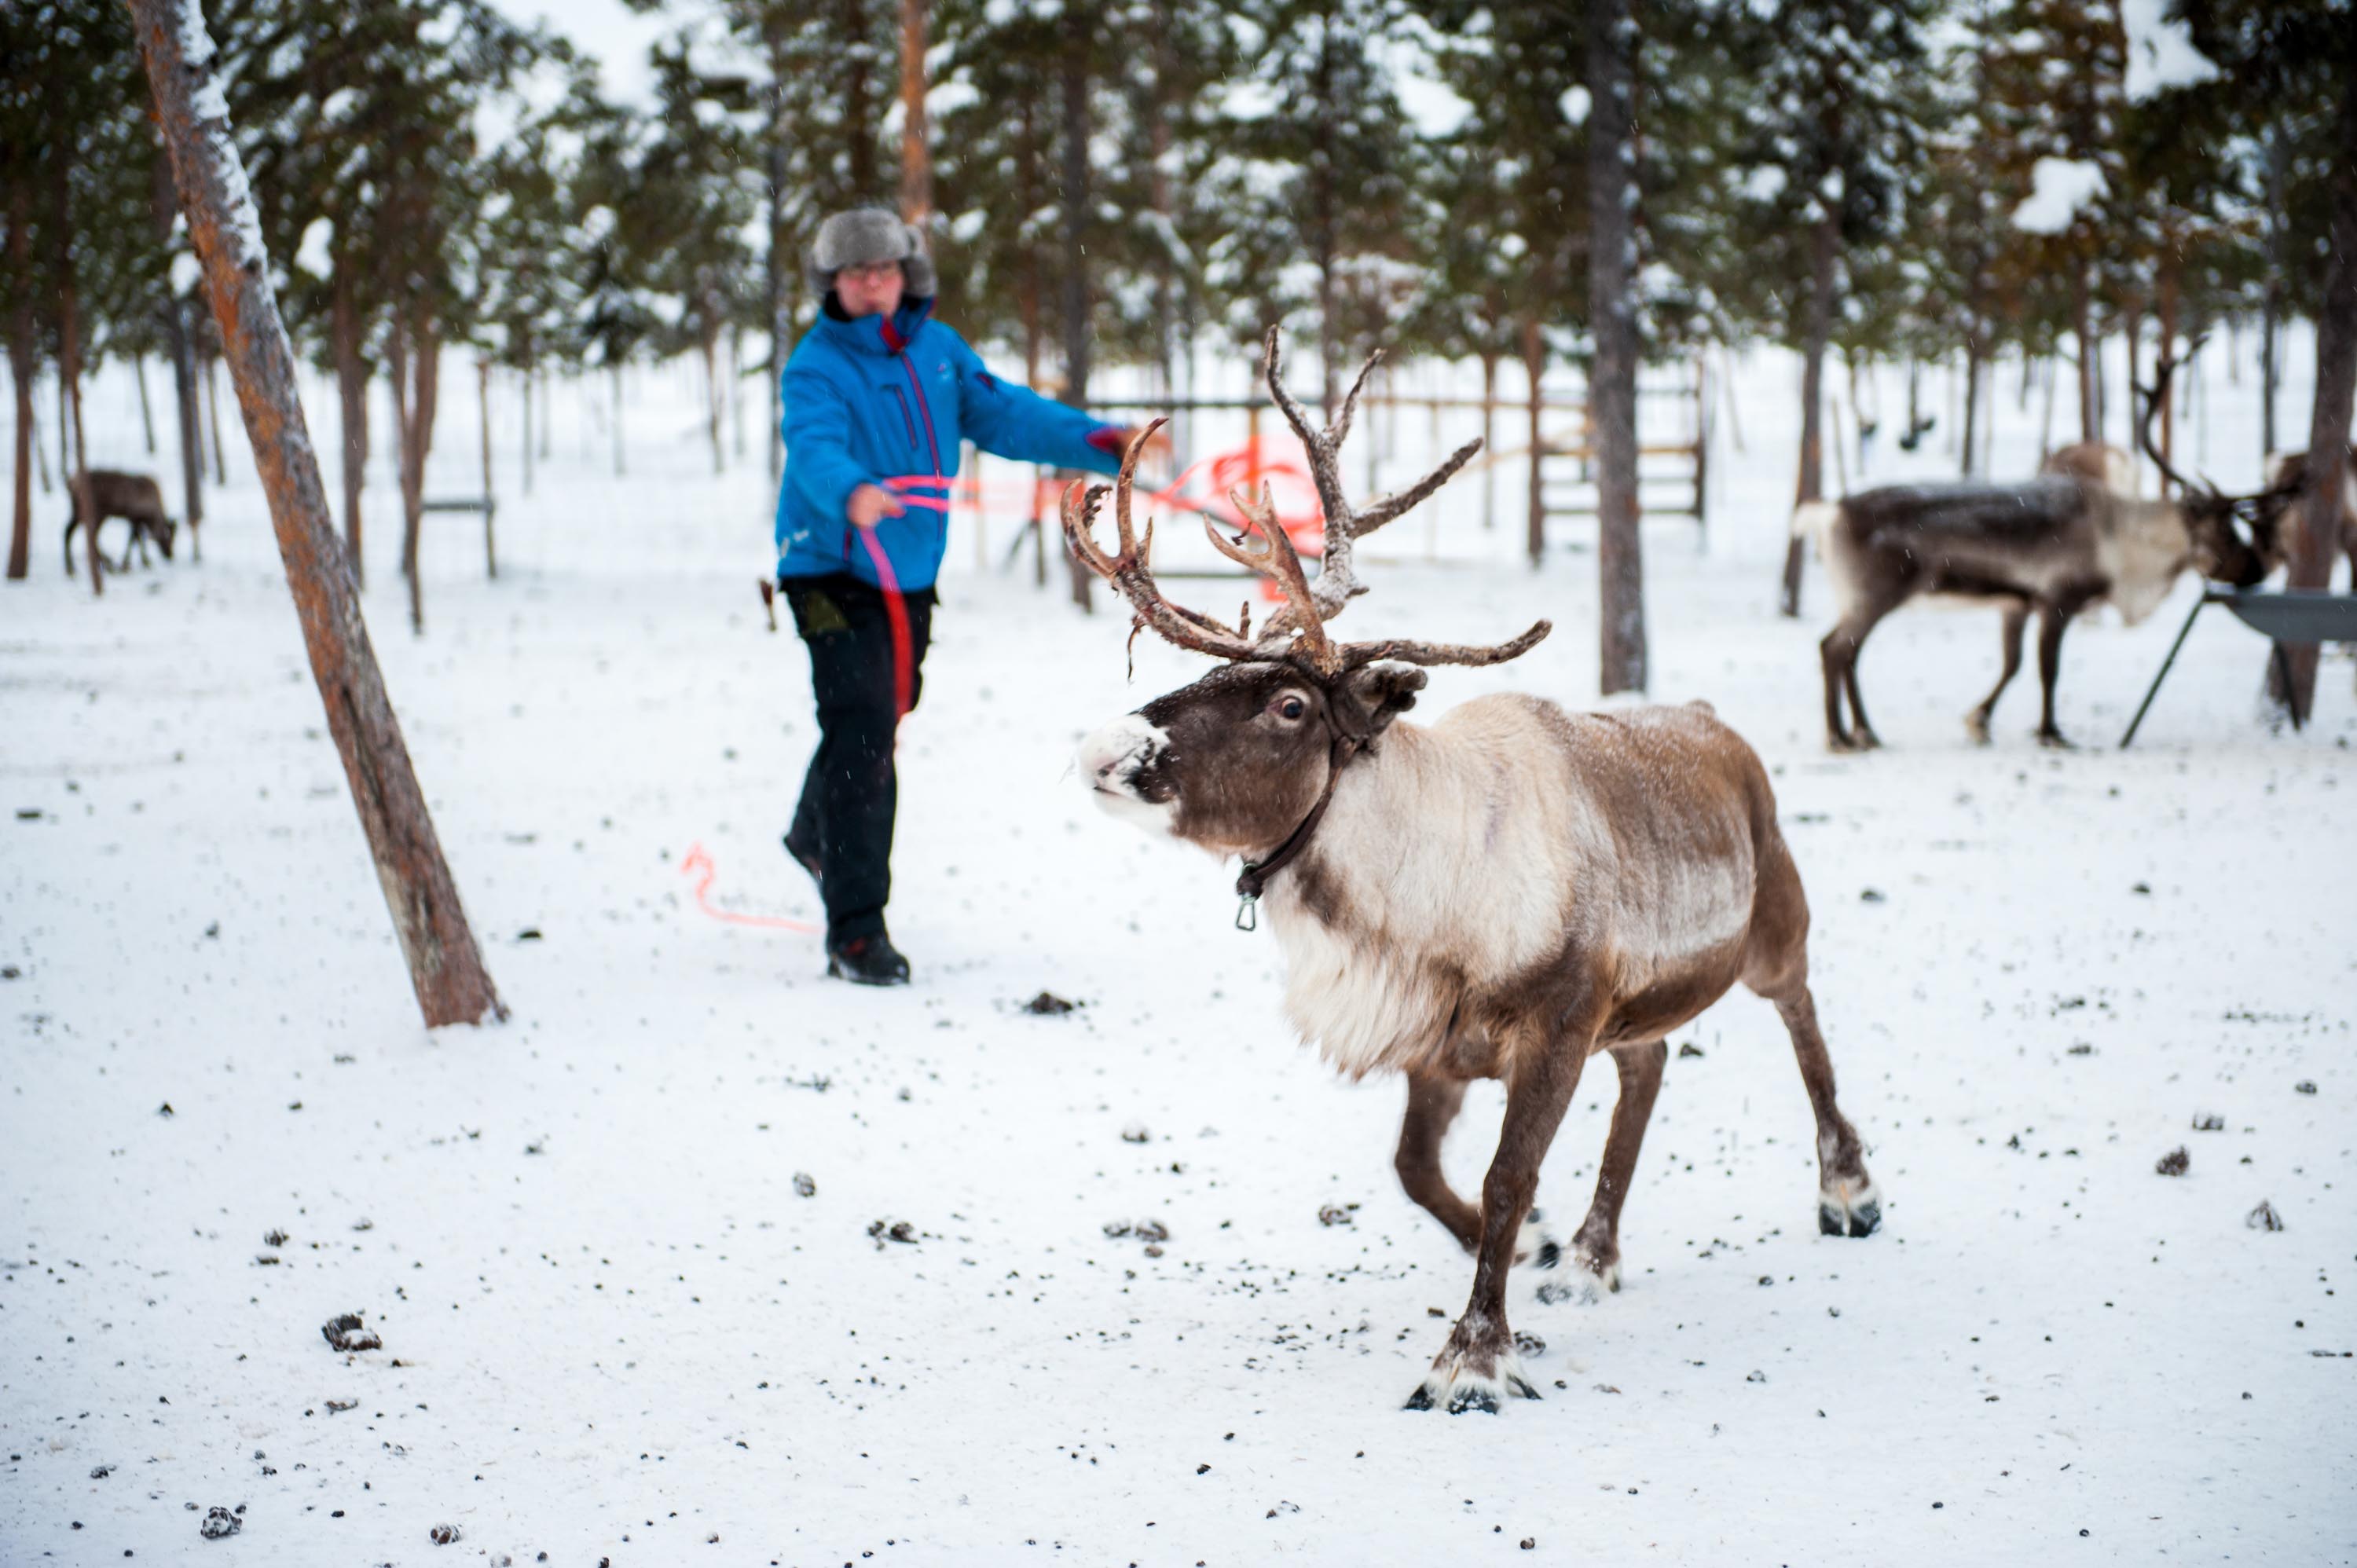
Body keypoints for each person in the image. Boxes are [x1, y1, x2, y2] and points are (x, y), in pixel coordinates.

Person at [774, 207, 1158, 986]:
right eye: (855, 273)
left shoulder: (939, 353)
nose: (872, 284)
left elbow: (1009, 414)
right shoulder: (815, 365)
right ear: (833, 284)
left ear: (906, 273)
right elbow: (813, 446)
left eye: (884, 269)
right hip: (828, 567)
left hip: (908, 572)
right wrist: (850, 491)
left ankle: (814, 832)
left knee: (886, 710)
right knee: (864, 735)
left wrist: (1101, 440)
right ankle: (855, 929)